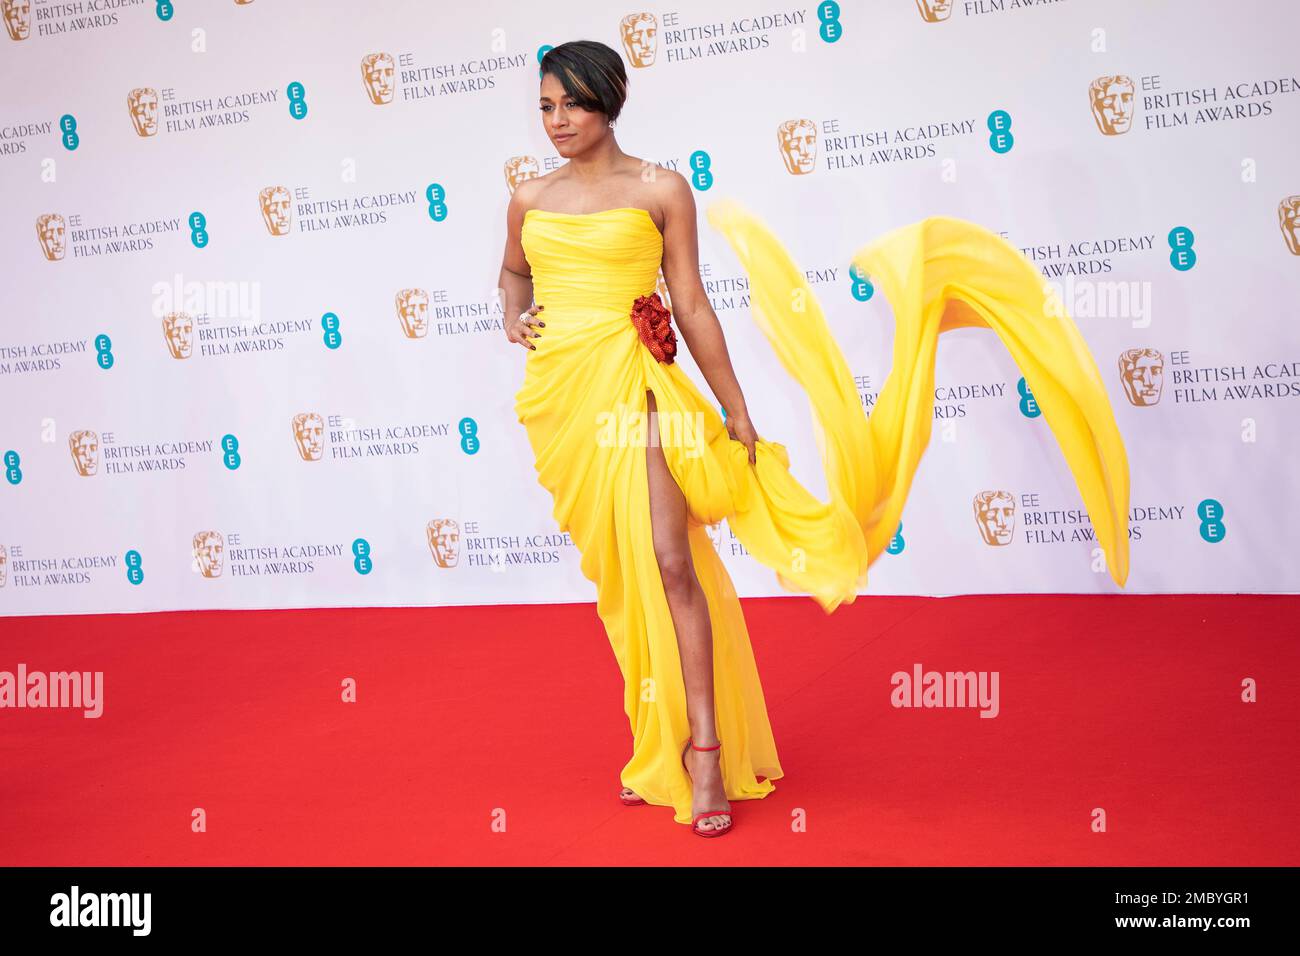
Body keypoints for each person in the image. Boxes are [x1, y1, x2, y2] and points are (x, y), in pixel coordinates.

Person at [498, 40, 1130, 837]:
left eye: (573, 104)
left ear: (609, 103)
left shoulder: (659, 189)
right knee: (624, 573)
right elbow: (513, 275)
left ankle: (704, 751)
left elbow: (690, 303)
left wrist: (734, 406)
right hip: (563, 397)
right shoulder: (528, 197)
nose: (557, 121)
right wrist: (515, 319)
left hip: (638, 386)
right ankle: (656, 744)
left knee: (669, 559)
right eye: (546, 106)